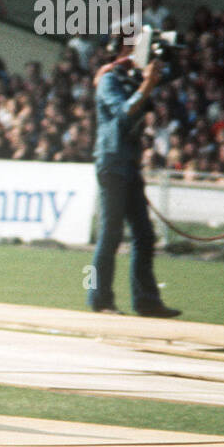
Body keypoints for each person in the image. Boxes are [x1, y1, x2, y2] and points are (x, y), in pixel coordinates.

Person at [87, 36, 181, 317]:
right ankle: (100, 300)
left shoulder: (130, 79)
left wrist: (153, 74)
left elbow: (170, 74)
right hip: (112, 162)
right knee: (111, 233)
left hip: (128, 163)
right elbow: (123, 115)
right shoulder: (109, 81)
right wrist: (148, 84)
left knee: (143, 234)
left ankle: (146, 301)